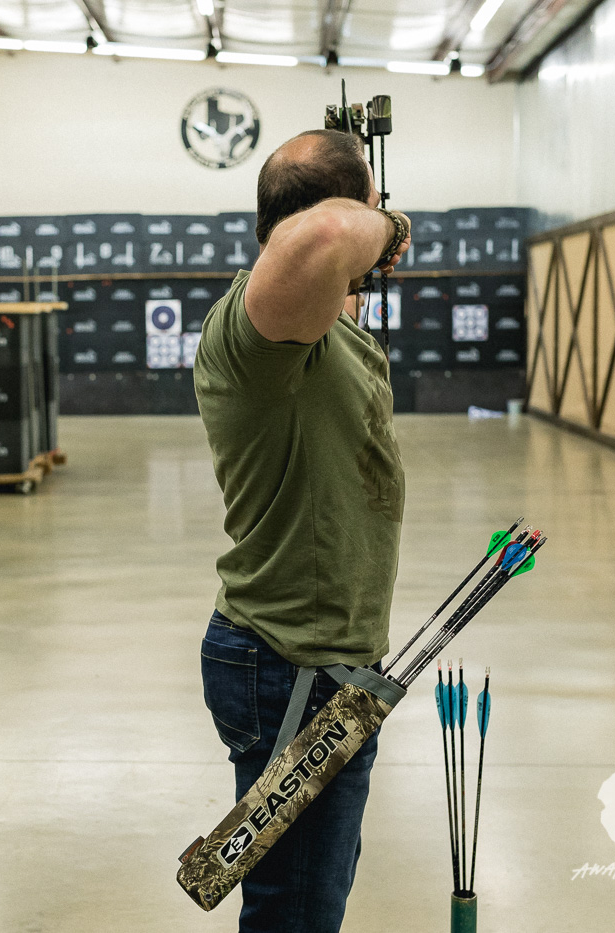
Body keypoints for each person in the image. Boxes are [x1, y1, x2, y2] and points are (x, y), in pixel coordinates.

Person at [192, 128, 412, 933]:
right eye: (369, 208)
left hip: (331, 657)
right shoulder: (255, 334)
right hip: (289, 663)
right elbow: (322, 235)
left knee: (317, 891)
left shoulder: (318, 324)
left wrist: (358, 264)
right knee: (296, 910)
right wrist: (386, 225)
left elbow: (327, 262)